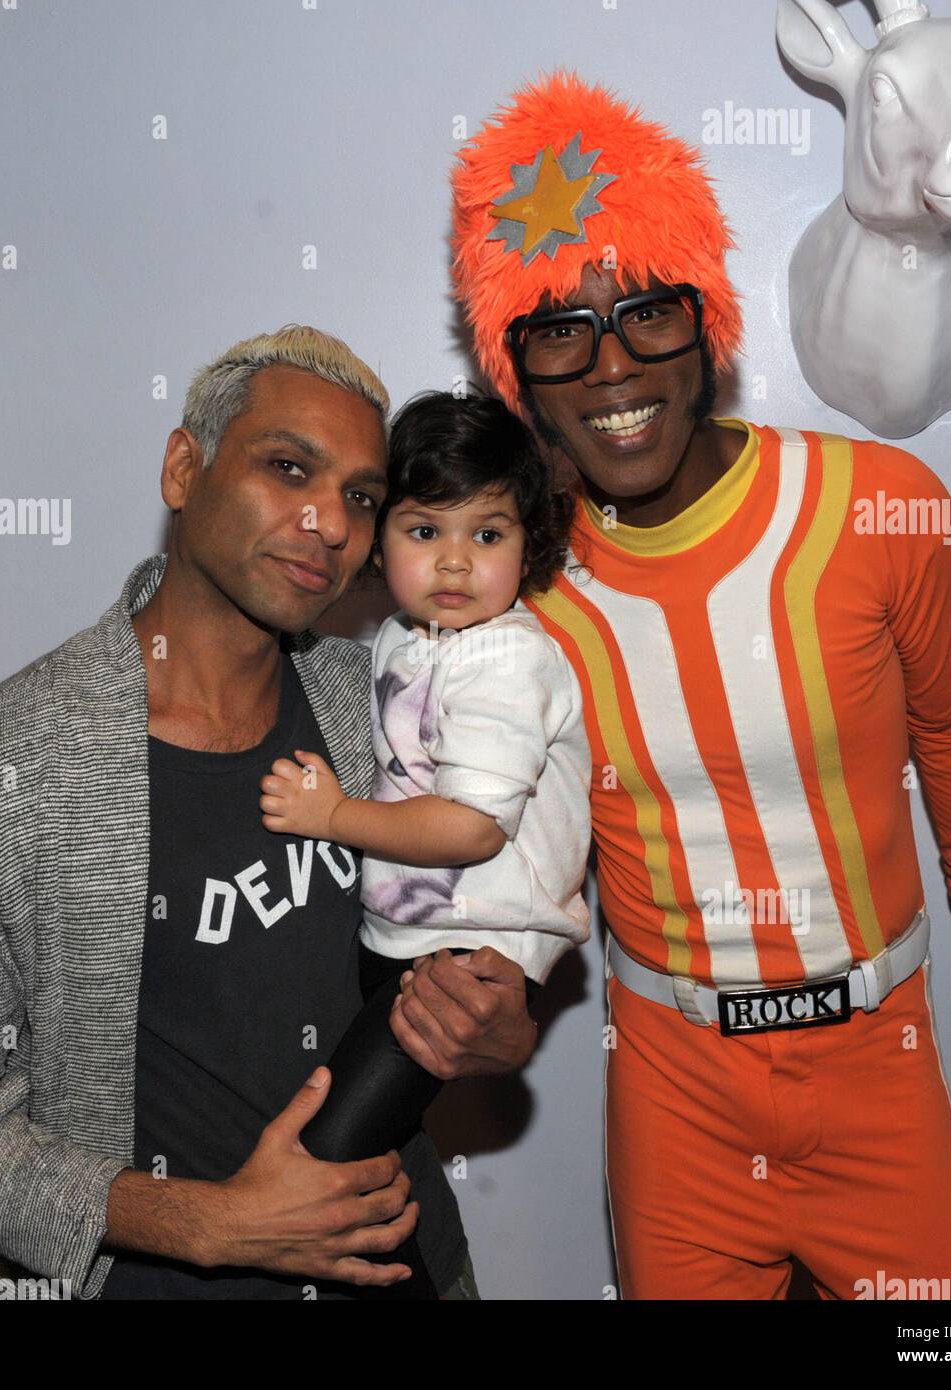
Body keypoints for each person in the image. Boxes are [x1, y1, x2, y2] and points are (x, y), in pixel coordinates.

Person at [448, 70, 951, 1300]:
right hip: (673, 1087)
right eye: (560, 326)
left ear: (705, 323)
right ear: (514, 364)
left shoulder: (878, 509)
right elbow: (505, 817)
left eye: (648, 313)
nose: (612, 368)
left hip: (878, 1062)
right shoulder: (518, 584)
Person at [0, 326, 539, 1300]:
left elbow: (494, 956)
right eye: (286, 468)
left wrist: (501, 1031)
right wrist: (210, 1224)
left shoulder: (392, 715)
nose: (327, 523)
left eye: (359, 496)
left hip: (404, 1271)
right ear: (183, 468)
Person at [259, 390, 592, 1295]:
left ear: (531, 542)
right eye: (421, 531)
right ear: (378, 539)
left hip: (472, 954)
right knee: (366, 1169)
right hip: (398, 941)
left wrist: (331, 817)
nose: (454, 563)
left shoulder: (506, 658)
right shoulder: (405, 639)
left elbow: (469, 826)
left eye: (486, 535)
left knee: (328, 1157)